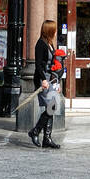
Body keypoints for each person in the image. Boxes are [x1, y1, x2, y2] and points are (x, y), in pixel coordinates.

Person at [28, 18, 61, 150]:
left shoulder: (50, 44)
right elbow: (38, 65)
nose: (56, 31)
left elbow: (52, 64)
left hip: (50, 78)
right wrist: (43, 80)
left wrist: (56, 81)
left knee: (51, 107)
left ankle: (47, 138)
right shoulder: (40, 44)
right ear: (49, 30)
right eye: (54, 29)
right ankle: (35, 131)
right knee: (51, 107)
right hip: (43, 79)